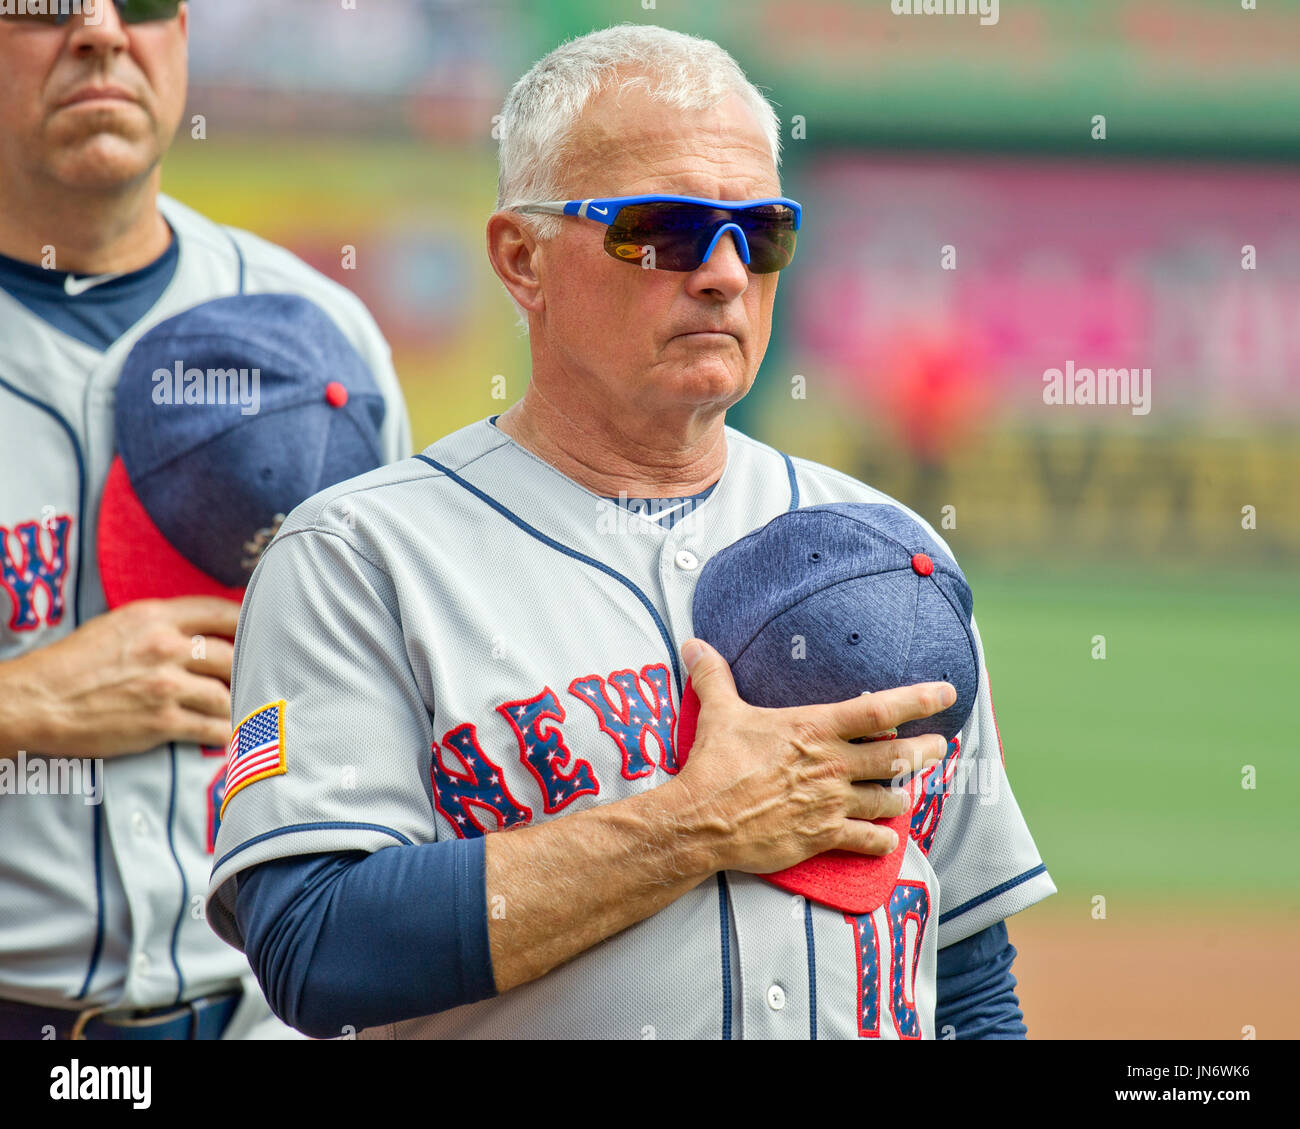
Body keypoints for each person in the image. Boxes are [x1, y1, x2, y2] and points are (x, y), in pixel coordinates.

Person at [206, 24, 1054, 1040]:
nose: (723, 272)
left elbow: (962, 975)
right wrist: (690, 825)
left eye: (761, 231)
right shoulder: (360, 557)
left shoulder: (888, 550)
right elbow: (316, 945)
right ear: (521, 259)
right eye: (664, 231)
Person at [0, 1, 409, 1040]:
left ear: (180, 31)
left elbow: (409, 711)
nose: (98, 31)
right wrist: (18, 705)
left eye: (140, 1)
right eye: (42, 3)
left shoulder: (323, 335)